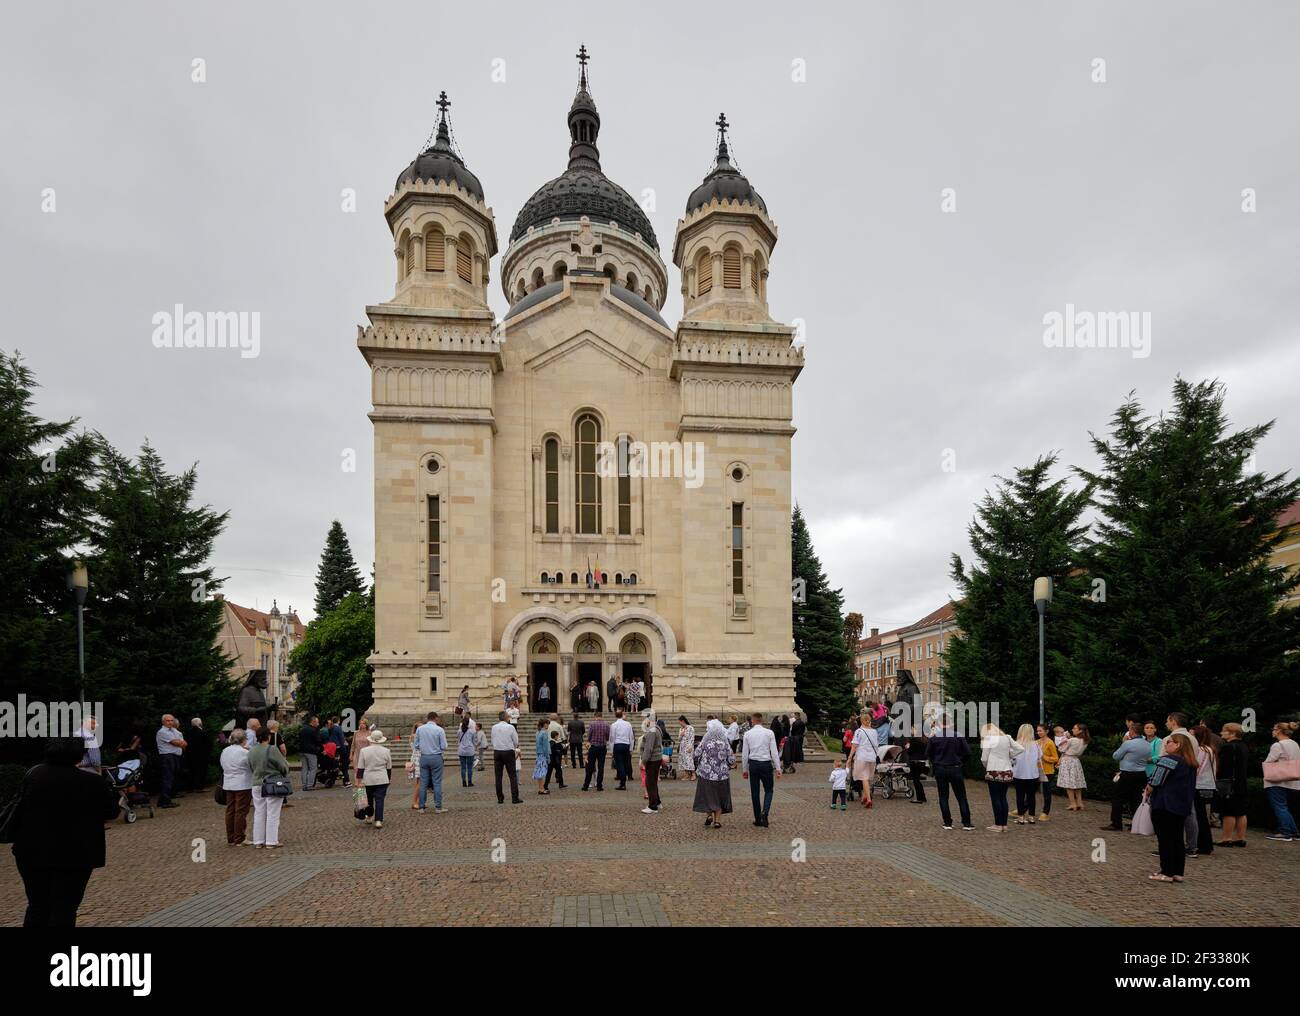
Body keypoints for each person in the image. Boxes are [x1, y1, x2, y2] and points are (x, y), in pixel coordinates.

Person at [9, 738, 120, 927]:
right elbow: (111, 812)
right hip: (75, 853)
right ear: (78, 756)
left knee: (37, 904)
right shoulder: (92, 781)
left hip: (31, 851)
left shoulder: (33, 775)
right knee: (65, 907)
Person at [1146, 732, 1197, 883]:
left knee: (1165, 839)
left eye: (1169, 742)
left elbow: (1155, 780)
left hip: (1164, 804)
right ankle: (1177, 872)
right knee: (1177, 839)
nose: (1166, 744)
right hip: (1181, 805)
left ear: (1178, 745)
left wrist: (1148, 789)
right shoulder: (1190, 762)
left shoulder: (1168, 760)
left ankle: (1166, 872)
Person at [1103, 721, 1153, 831]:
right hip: (1141, 774)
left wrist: (1123, 743)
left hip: (1128, 773)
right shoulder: (1147, 744)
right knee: (1136, 799)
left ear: (1132, 731)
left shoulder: (1128, 743)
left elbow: (1116, 756)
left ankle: (1116, 823)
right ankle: (1136, 824)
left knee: (1117, 797)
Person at [927, 716, 974, 830]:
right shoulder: (958, 736)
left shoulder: (934, 738)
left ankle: (947, 822)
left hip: (940, 769)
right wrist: (960, 761)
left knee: (943, 797)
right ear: (951, 723)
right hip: (955, 768)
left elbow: (928, 753)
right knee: (961, 797)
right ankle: (966, 823)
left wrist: (936, 762)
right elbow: (968, 752)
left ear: (938, 724)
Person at [248, 726, 289, 848]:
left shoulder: (252, 750)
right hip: (272, 783)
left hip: (256, 783)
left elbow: (251, 766)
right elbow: (283, 766)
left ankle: (258, 841)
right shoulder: (272, 749)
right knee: (273, 813)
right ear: (268, 736)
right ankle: (271, 841)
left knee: (259, 812)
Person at [980, 723, 1023, 832]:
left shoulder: (988, 739)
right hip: (1006, 770)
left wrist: (987, 766)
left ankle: (998, 825)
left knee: (995, 798)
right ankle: (1004, 825)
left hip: (994, 770)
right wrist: (1009, 756)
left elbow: (984, 758)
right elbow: (1020, 749)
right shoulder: (1007, 737)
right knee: (1003, 797)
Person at [741, 713, 782, 827]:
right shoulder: (769, 733)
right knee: (769, 790)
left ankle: (758, 818)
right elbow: (774, 752)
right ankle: (765, 811)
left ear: (752, 721)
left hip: (753, 764)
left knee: (755, 792)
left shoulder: (747, 734)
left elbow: (745, 754)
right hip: (766, 764)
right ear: (762, 721)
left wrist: (745, 769)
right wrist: (778, 768)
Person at [1263, 720, 1300, 842]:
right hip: (1292, 780)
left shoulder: (1278, 745)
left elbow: (1269, 761)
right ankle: (1294, 832)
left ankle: (1285, 832)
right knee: (1283, 807)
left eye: (1274, 729)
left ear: (1279, 730)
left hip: (1277, 781)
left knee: (1279, 806)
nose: (1272, 731)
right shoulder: (1295, 744)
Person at [692, 718, 733, 827]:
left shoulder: (705, 742)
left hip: (706, 774)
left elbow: (696, 754)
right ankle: (717, 821)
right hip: (722, 775)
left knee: (707, 795)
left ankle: (709, 815)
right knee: (719, 797)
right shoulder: (725, 743)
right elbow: (732, 759)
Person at [1215, 722, 1250, 847]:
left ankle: (1227, 838)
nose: (1221, 733)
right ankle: (1240, 837)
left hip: (1229, 783)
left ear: (1232, 733)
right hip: (1241, 782)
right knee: (1241, 811)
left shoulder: (1228, 747)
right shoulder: (1244, 746)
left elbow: (1223, 766)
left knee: (1228, 811)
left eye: (1224, 731)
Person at [220, 729, 254, 845]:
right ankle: (239, 837)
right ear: (243, 740)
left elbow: (222, 765)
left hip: (229, 783)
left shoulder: (225, 751)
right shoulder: (244, 753)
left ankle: (231, 837)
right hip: (242, 783)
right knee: (240, 811)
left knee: (230, 810)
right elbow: (251, 766)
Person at [1189, 723, 1217, 855]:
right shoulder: (1210, 749)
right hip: (1207, 785)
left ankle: (1203, 844)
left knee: (1198, 817)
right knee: (1202, 817)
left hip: (1199, 785)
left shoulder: (1201, 750)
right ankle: (1205, 844)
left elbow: (1196, 767)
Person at [356, 729, 392, 828]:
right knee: (380, 800)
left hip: (368, 778)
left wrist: (359, 780)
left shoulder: (364, 751)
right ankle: (378, 820)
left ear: (371, 739)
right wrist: (389, 779)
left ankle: (369, 816)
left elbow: (360, 767)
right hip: (382, 778)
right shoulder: (386, 751)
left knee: (369, 799)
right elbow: (388, 767)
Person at [414, 712, 448, 814]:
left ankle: (421, 807)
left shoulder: (420, 729)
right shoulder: (439, 729)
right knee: (437, 782)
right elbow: (444, 746)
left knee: (423, 782)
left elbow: (416, 745)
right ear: (435, 718)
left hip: (424, 757)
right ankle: (438, 807)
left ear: (427, 718)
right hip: (436, 757)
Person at [1010, 724, 1042, 824]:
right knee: (1031, 796)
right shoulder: (1036, 744)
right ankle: (1031, 817)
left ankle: (1021, 817)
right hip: (1032, 774)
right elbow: (1040, 756)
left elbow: (1011, 759)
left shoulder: (1016, 744)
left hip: (1019, 774)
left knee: (1019, 795)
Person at [846, 715, 879, 809]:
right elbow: (877, 744)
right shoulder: (874, 731)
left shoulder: (859, 731)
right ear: (869, 721)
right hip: (872, 757)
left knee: (864, 777)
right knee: (867, 777)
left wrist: (850, 757)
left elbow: (854, 745)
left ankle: (869, 799)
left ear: (861, 721)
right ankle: (865, 796)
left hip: (862, 757)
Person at [155, 714, 187, 808]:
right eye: (168, 720)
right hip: (167, 757)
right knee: (168, 779)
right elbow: (176, 742)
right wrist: (179, 742)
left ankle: (163, 800)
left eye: (171, 720)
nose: (170, 722)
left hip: (175, 757)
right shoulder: (162, 732)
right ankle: (165, 802)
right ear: (163, 722)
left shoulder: (174, 731)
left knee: (172, 778)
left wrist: (180, 742)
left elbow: (184, 743)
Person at [491, 711, 522, 804]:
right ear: (506, 718)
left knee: (498, 776)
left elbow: (492, 739)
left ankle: (500, 798)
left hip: (497, 751)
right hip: (508, 751)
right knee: (512, 776)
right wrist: (515, 747)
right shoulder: (510, 727)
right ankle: (514, 797)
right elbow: (516, 741)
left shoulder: (494, 727)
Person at [1057, 723, 1089, 810]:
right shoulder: (1085, 741)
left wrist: (1065, 740)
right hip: (1076, 761)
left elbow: (1061, 749)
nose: (1072, 729)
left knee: (1069, 784)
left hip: (1067, 761)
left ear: (1080, 730)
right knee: (1077, 783)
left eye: (1075, 728)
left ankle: (1073, 804)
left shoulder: (1072, 740)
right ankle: (1080, 803)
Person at [640, 713, 664, 814]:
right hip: (656, 758)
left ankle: (652, 806)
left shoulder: (652, 731)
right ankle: (657, 802)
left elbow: (648, 748)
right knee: (653, 781)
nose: (645, 721)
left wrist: (643, 761)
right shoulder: (657, 728)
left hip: (652, 759)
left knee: (650, 783)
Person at [1035, 724, 1059, 821]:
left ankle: (1045, 812)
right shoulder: (1036, 742)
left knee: (1046, 792)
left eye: (1040, 730)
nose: (1038, 732)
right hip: (1036, 770)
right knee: (1031, 790)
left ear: (1046, 731)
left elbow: (1056, 758)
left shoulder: (1050, 743)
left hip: (1048, 771)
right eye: (1037, 731)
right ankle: (1022, 809)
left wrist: (1044, 758)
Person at [901, 729, 929, 804]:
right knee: (918, 780)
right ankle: (923, 797)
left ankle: (920, 798)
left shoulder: (914, 740)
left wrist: (907, 747)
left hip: (915, 762)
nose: (911, 730)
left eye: (913, 729)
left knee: (916, 780)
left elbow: (910, 752)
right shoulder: (924, 739)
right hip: (922, 762)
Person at [610, 709, 635, 790]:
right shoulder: (628, 724)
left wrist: (611, 750)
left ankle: (622, 782)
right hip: (626, 745)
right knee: (625, 763)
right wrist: (631, 748)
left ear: (615, 716)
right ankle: (623, 780)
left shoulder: (614, 725)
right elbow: (631, 737)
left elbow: (612, 738)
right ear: (622, 715)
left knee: (620, 764)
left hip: (618, 745)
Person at [183, 716, 210, 791]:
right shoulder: (203, 732)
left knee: (191, 771)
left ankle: (190, 788)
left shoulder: (187, 732)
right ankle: (199, 787)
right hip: (201, 756)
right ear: (200, 723)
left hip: (190, 755)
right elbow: (208, 744)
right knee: (201, 771)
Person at [298, 715, 321, 791]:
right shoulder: (313, 730)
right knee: (313, 768)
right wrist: (320, 749)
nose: (318, 724)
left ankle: (304, 785)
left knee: (304, 768)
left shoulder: (302, 729)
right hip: (311, 751)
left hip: (302, 751)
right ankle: (309, 785)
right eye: (317, 722)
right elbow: (318, 741)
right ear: (313, 722)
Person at [545, 713, 567, 790]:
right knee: (558, 765)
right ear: (557, 718)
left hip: (548, 746)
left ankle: (546, 784)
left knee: (549, 767)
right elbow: (563, 737)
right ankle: (559, 781)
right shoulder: (558, 726)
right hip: (557, 746)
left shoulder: (547, 726)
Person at [326, 717, 349, 784]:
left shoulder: (330, 728)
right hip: (339, 747)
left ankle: (332, 776)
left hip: (332, 747)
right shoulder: (338, 728)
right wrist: (344, 748)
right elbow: (341, 739)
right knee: (343, 763)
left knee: (334, 762)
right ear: (338, 721)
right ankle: (345, 779)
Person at [457, 716, 477, 788]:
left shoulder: (459, 731)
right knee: (469, 767)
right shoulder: (472, 731)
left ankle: (464, 782)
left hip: (461, 750)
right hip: (470, 750)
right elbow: (474, 741)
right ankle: (469, 781)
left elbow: (459, 740)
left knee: (463, 767)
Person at [678, 716, 696, 781]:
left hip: (688, 746)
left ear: (682, 721)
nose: (679, 723)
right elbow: (679, 739)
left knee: (689, 760)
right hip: (682, 747)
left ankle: (693, 774)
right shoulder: (681, 729)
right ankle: (687, 775)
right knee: (684, 760)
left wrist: (691, 746)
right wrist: (681, 735)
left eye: (679, 722)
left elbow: (692, 738)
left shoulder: (690, 728)